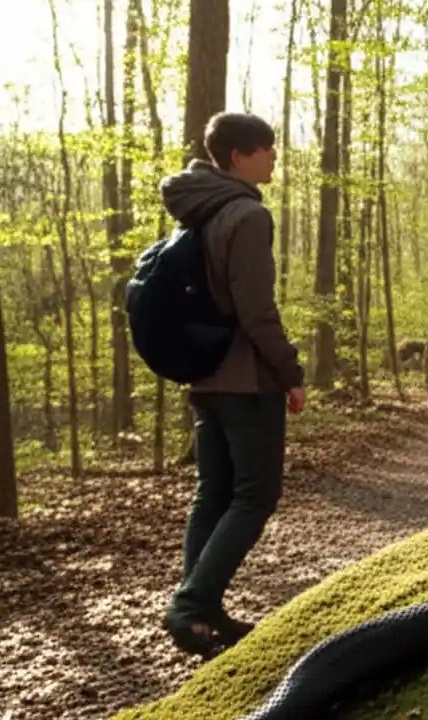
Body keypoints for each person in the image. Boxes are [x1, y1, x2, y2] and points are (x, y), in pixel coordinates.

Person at [158, 111, 306, 658]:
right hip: (246, 380)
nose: (273, 156)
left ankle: (201, 610)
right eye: (265, 148)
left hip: (205, 375)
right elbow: (256, 311)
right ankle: (191, 605)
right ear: (239, 157)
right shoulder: (245, 214)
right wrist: (290, 372)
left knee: (213, 493)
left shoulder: (199, 210)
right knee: (254, 495)